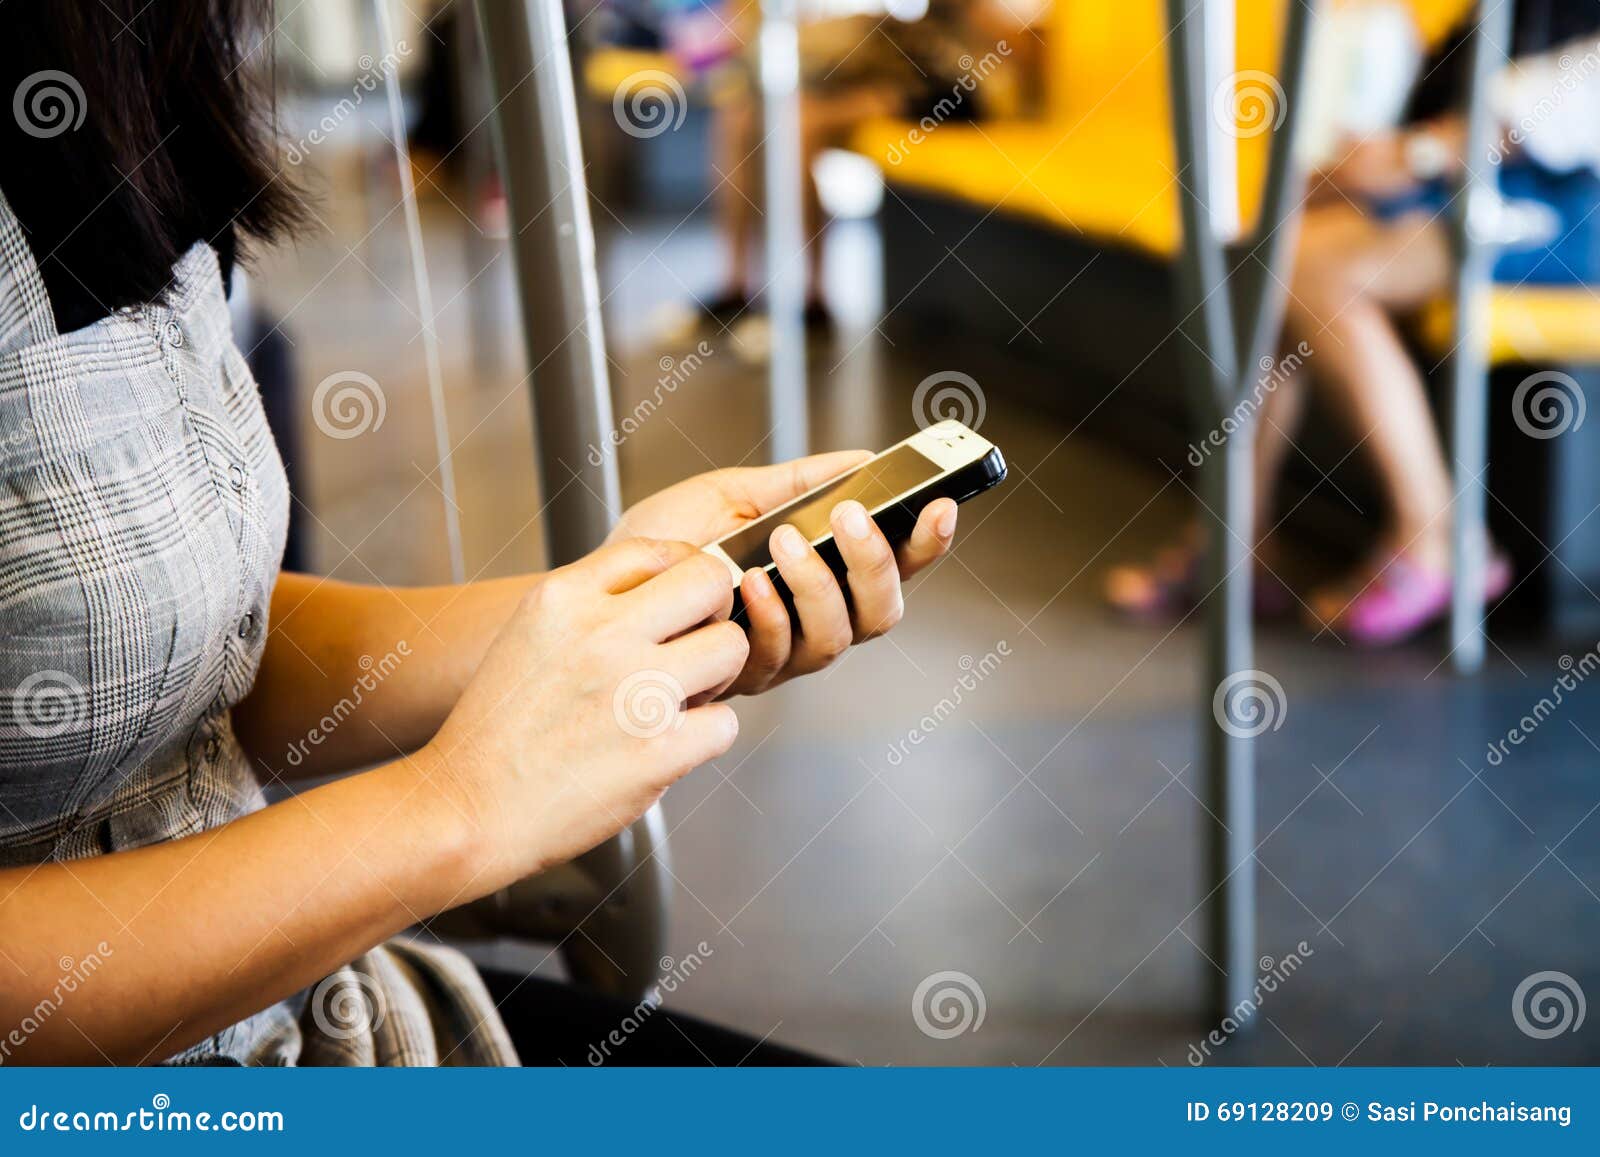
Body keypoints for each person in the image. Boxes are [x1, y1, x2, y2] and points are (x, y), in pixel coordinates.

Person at [0, 0, 960, 1065]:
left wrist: (615, 604)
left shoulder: (116, 81)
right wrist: (462, 806)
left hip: (308, 1023)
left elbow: (183, 658)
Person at [1106, 0, 1600, 646]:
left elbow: (1567, 98)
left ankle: (1437, 535)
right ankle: (1233, 544)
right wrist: (1365, 168)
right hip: (1480, 175)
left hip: (1566, 197)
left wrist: (1414, 153)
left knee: (1310, 269)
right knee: (1263, 251)